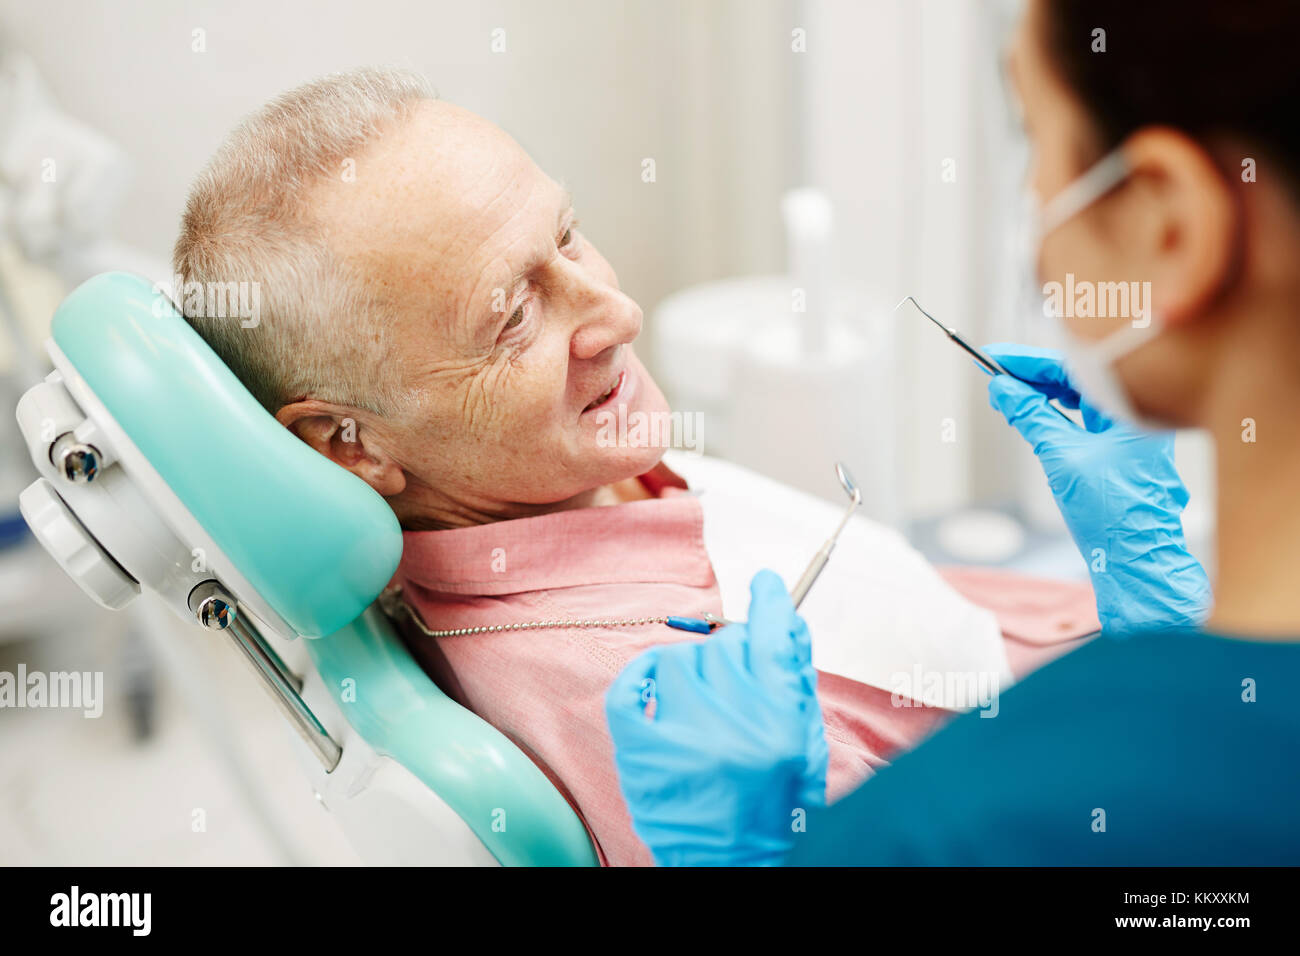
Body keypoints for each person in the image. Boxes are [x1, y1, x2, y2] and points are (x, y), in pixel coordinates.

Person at [604, 0, 1300, 865]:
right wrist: (1164, 615)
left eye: (1030, 136)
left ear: (1170, 227)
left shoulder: (975, 821)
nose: (1035, 201)